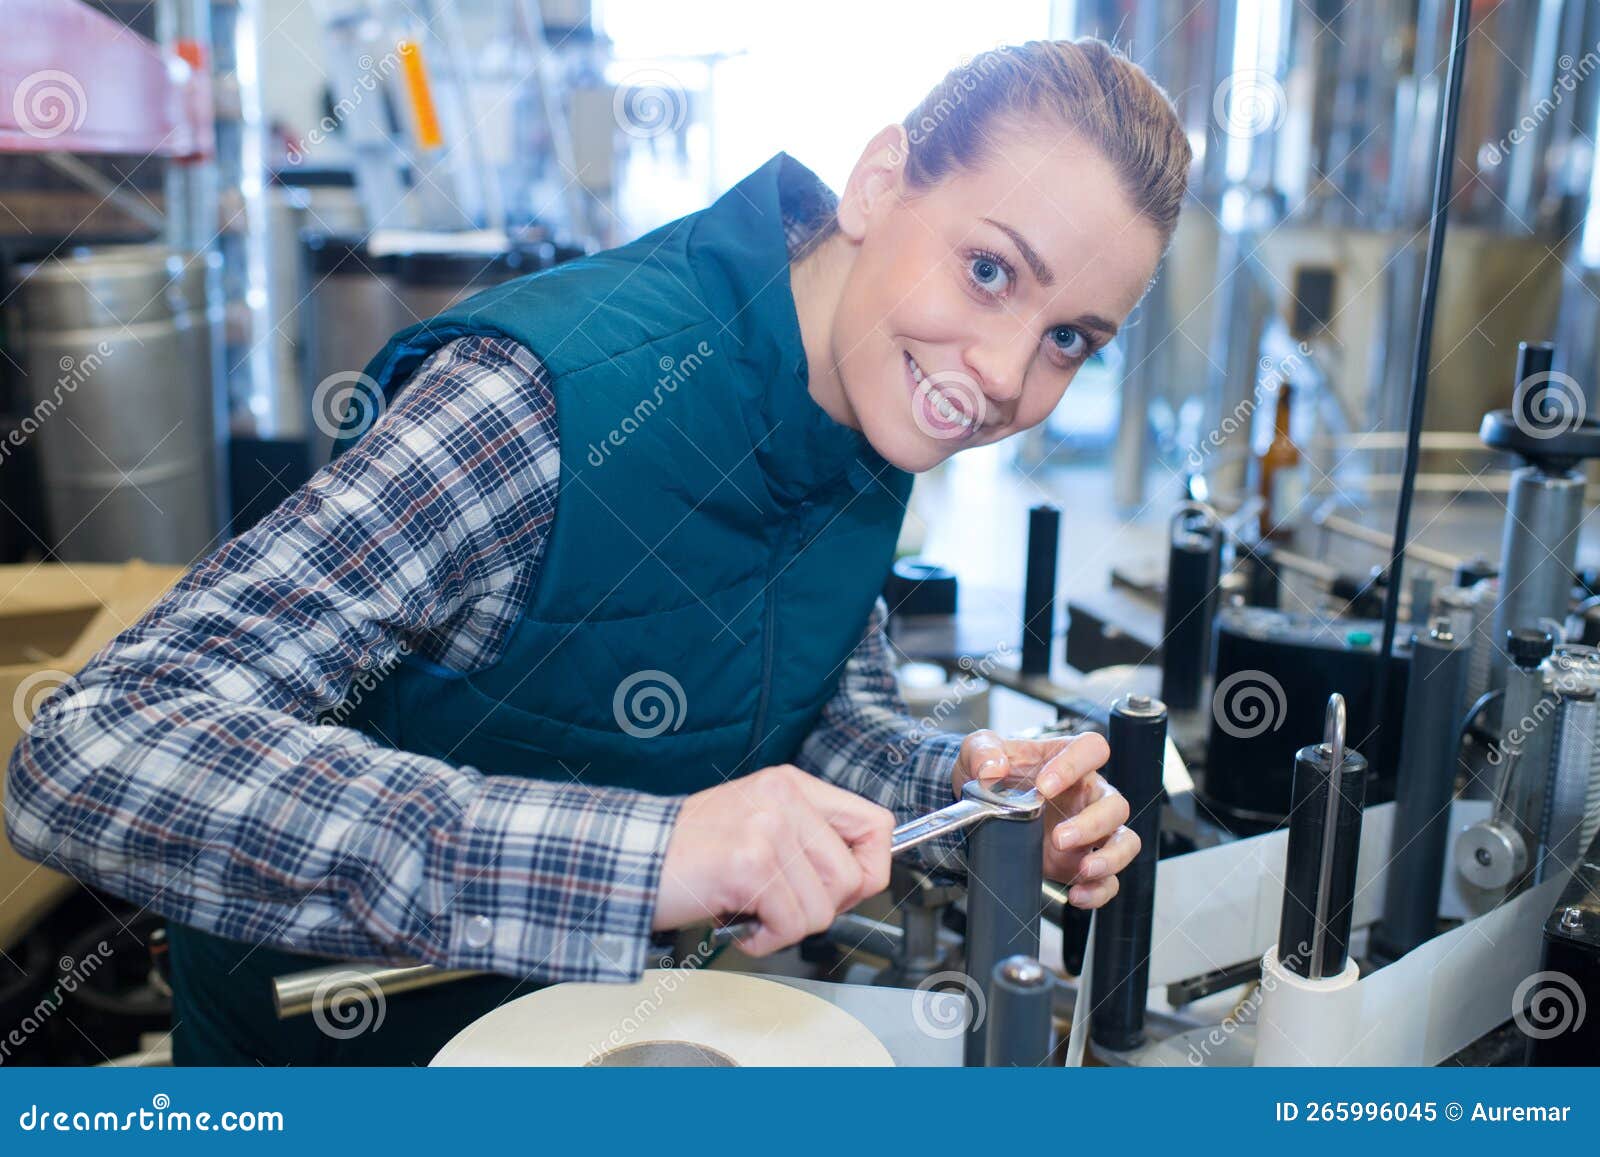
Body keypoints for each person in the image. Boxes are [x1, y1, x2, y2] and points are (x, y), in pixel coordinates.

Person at [7, 37, 1190, 1065]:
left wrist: (966, 791)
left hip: (595, 1057)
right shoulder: (540, 404)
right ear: (879, 181)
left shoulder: (867, 410)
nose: (998, 375)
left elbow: (812, 700)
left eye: (1067, 339)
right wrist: (643, 853)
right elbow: (93, 745)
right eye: (989, 269)